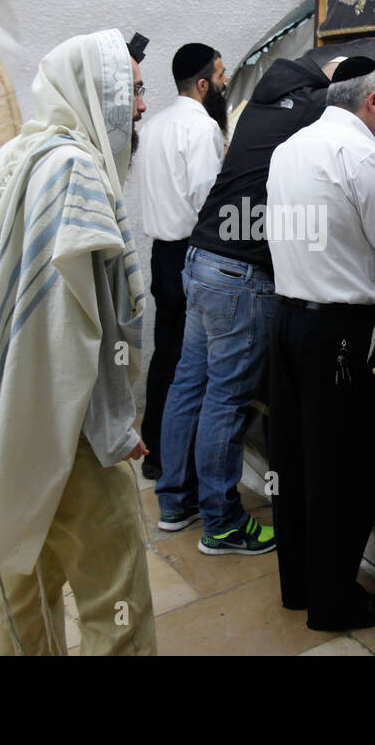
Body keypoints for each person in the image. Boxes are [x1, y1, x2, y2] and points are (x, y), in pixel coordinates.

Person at [0, 29, 156, 656]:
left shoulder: (17, 155)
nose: (141, 107)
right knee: (115, 599)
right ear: (95, 89)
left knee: (23, 593)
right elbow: (78, 333)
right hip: (68, 434)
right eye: (132, 92)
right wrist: (117, 424)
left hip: (6, 420)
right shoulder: (75, 172)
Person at [265, 56, 375, 631]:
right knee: (342, 465)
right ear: (370, 101)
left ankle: (300, 585)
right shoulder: (364, 153)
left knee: (295, 460)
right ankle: (335, 600)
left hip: (289, 319)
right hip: (338, 334)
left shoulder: (291, 147)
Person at [154, 55, 332, 554]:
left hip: (200, 257)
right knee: (227, 399)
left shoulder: (258, 107)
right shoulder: (313, 110)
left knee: (190, 381)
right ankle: (223, 523)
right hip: (240, 272)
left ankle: (175, 501)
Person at [135, 43, 228, 480]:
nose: (226, 83)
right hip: (192, 252)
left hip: (161, 254)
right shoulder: (202, 129)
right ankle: (180, 462)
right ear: (205, 83)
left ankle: (155, 451)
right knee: (193, 365)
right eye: (222, 75)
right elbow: (208, 202)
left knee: (167, 355)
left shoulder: (152, 125)